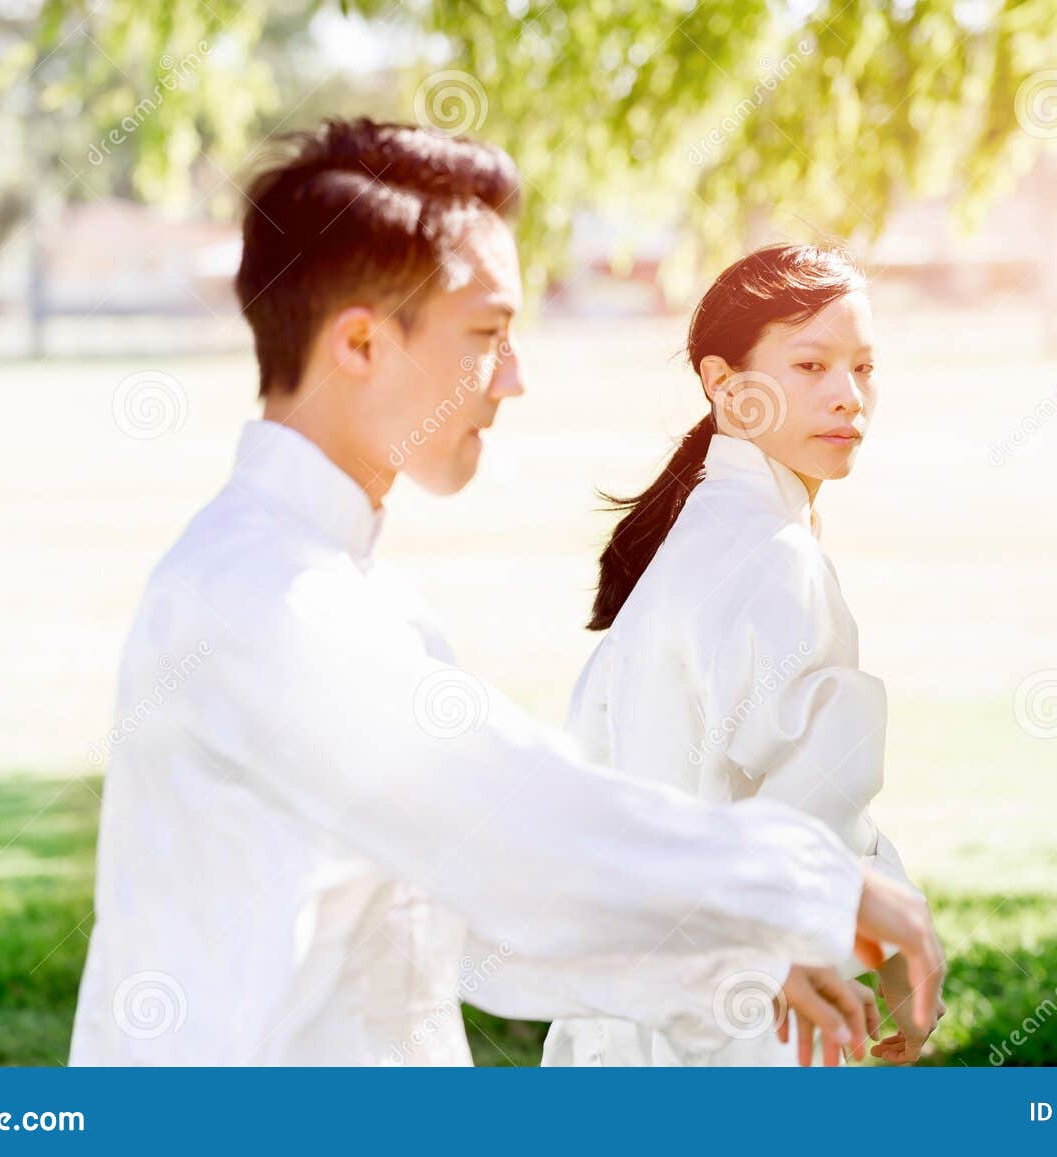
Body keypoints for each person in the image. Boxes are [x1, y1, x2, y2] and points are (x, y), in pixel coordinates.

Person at [68, 119, 942, 1067]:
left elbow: (474, 913)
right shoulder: (262, 598)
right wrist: (812, 883)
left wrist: (734, 970)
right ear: (360, 341)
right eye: (488, 334)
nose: (514, 378)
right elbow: (514, 814)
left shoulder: (358, 595)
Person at [543, 244, 945, 1067]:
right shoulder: (770, 552)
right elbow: (819, 800)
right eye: (811, 364)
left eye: (864, 367)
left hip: (638, 1014)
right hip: (744, 1014)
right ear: (725, 385)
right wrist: (896, 935)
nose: (847, 394)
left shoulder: (697, 537)